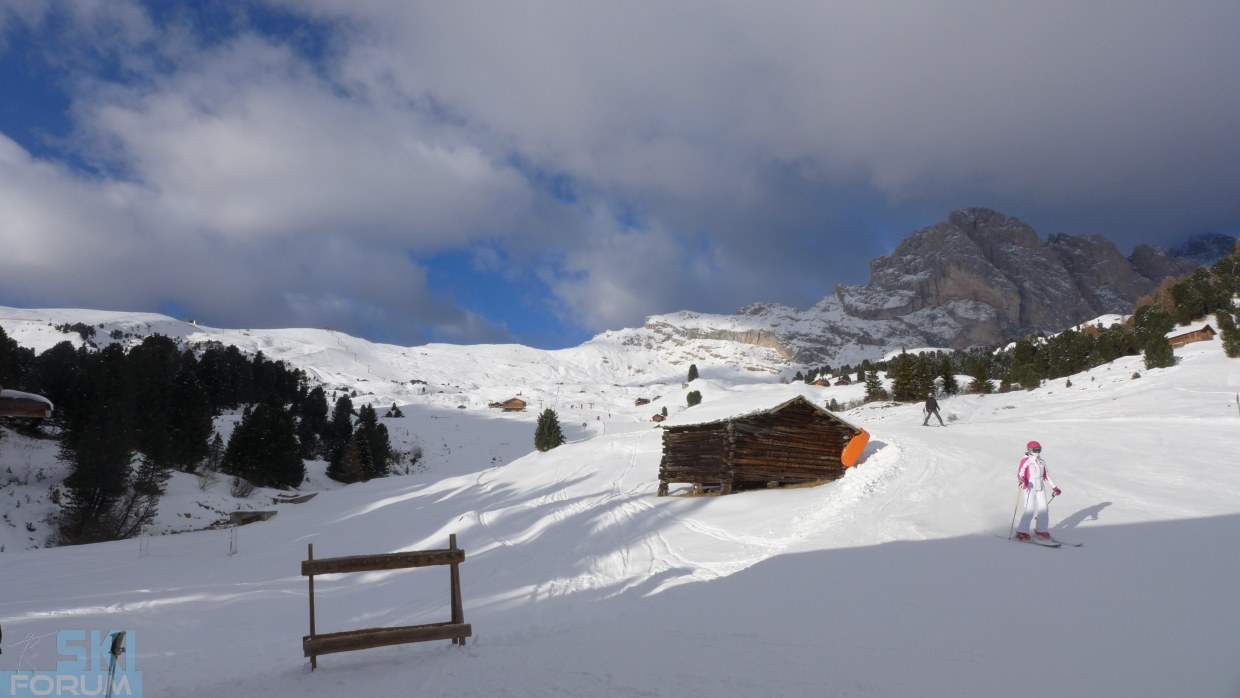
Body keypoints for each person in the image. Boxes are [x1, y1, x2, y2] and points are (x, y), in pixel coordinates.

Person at [1014, 440, 1062, 541]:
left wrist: (1054, 487)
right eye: (1035, 450)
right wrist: (1021, 479)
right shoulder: (1026, 460)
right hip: (1029, 487)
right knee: (1030, 510)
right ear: (1029, 450)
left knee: (1044, 509)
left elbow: (1046, 476)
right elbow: (1020, 473)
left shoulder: (1042, 462)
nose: (1037, 451)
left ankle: (1041, 530)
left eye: (1039, 449)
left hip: (1040, 488)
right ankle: (1022, 531)